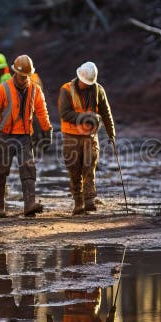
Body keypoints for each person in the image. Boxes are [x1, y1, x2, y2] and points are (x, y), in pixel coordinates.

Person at [0, 55, 52, 217]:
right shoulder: (2, 89)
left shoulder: (35, 90)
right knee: (0, 171)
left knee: (28, 169)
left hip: (24, 137)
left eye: (27, 76)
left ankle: (29, 204)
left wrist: (47, 130)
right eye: (22, 76)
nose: (24, 79)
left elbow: (42, 111)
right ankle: (0, 206)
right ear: (14, 72)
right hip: (4, 136)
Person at [58, 61, 115, 215]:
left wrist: (111, 133)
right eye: (84, 82)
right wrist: (86, 116)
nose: (86, 85)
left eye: (89, 83)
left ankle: (89, 201)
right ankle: (78, 203)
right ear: (79, 77)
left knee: (89, 168)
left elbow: (106, 112)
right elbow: (65, 114)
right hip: (71, 137)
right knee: (74, 170)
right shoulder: (66, 90)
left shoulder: (98, 90)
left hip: (90, 136)